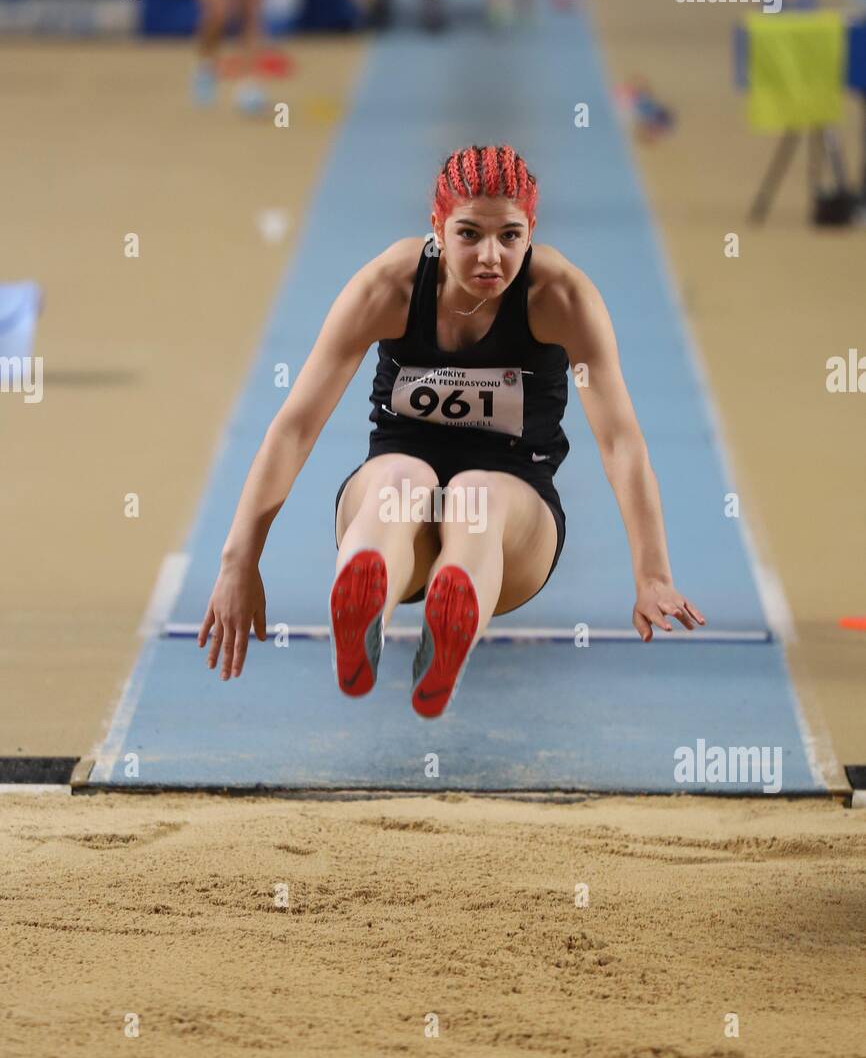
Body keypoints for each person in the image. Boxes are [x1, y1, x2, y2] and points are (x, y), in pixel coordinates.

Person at [198, 143, 705, 717]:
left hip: (514, 518)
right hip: (394, 502)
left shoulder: (560, 297)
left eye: (510, 237)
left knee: (474, 498)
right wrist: (239, 561)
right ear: (436, 226)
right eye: (469, 235)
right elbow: (294, 427)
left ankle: (452, 617)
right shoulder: (390, 287)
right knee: (400, 481)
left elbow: (621, 443)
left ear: (532, 230)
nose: (491, 257)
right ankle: (366, 604)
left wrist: (653, 573)